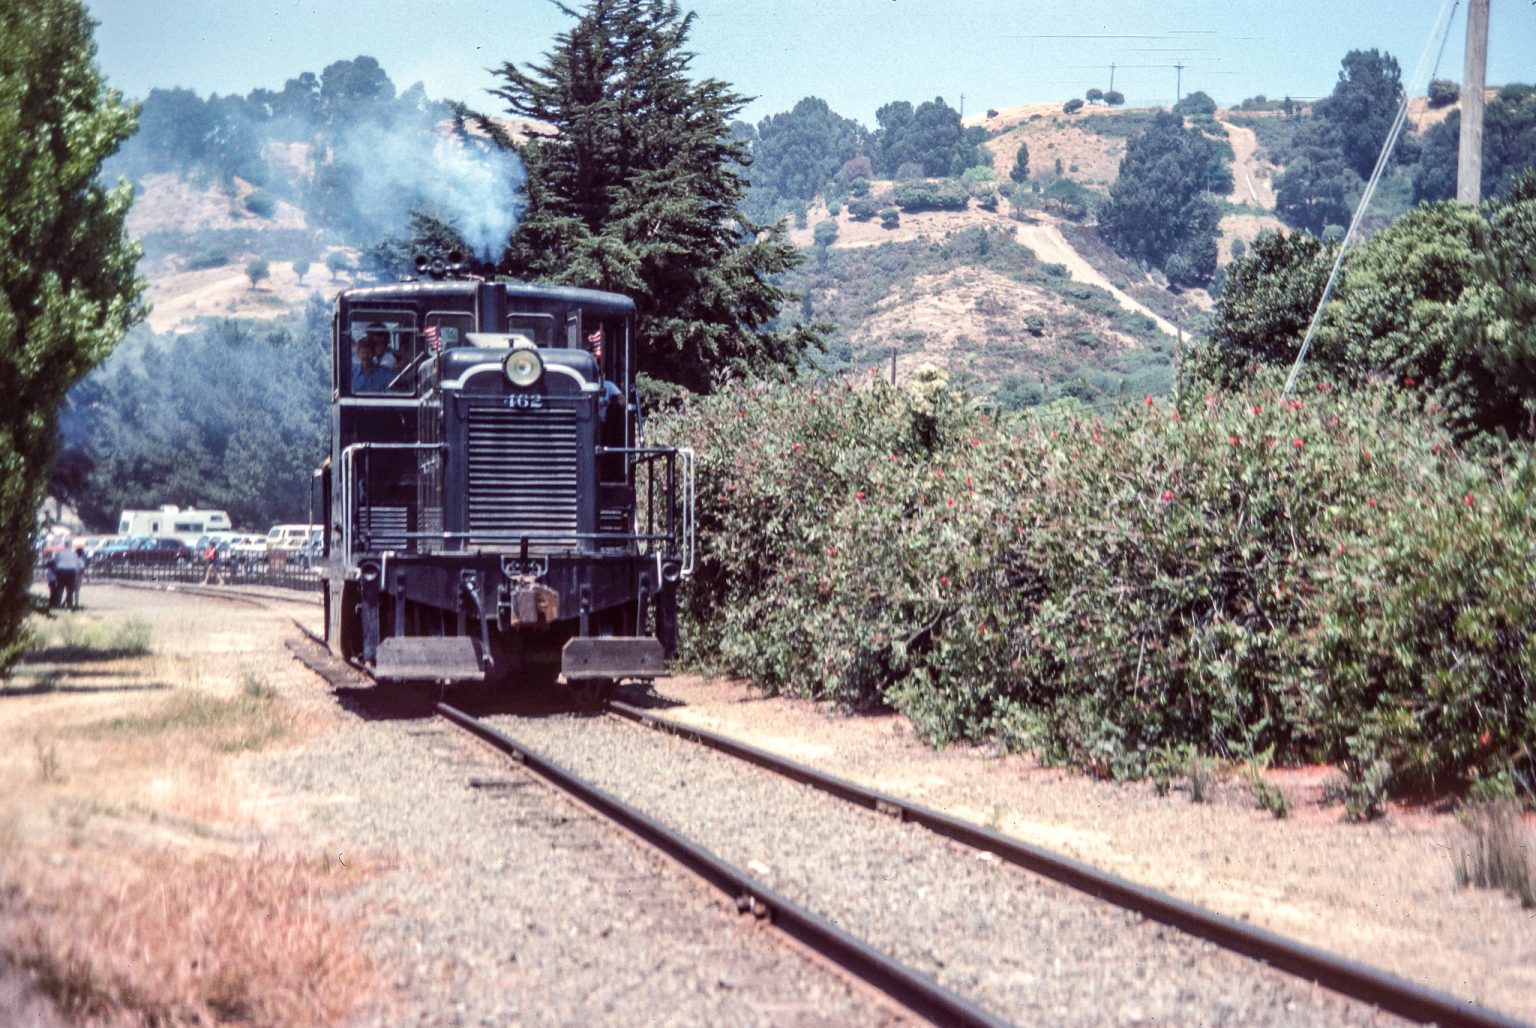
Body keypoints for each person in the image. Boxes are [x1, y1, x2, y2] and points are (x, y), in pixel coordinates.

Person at [352, 326, 395, 392]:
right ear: (358, 354)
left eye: (369, 352)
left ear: (374, 354)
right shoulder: (351, 373)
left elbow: (391, 393)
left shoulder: (385, 373)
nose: (366, 356)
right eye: (363, 352)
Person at [53, 544, 83, 610]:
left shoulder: (61, 554)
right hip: (71, 573)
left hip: (62, 572)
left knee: (60, 590)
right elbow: (77, 566)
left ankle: (58, 604)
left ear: (65, 546)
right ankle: (69, 605)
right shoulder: (74, 555)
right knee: (70, 590)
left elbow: (56, 563)